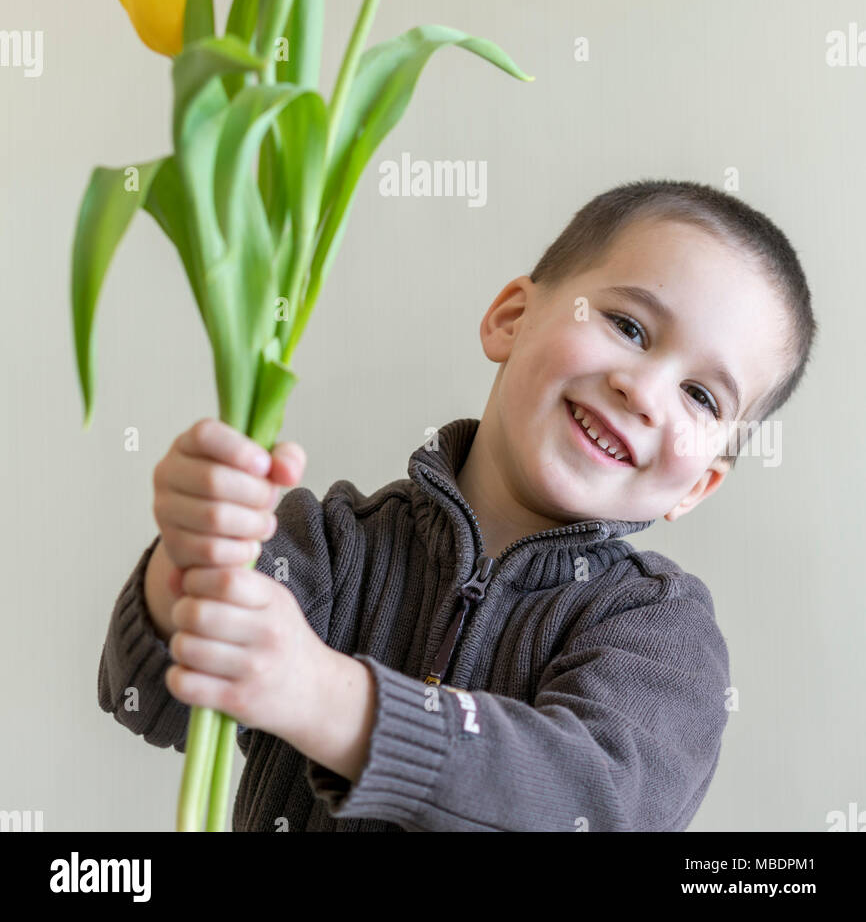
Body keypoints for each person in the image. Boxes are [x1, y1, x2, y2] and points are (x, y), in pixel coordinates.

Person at [97, 178, 817, 832]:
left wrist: (329, 700)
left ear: (700, 485)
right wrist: (188, 553)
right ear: (511, 318)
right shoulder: (329, 543)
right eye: (628, 326)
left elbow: (589, 805)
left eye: (701, 396)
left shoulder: (662, 636)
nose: (646, 391)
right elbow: (153, 699)